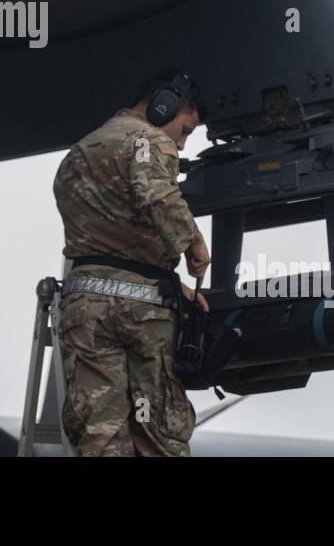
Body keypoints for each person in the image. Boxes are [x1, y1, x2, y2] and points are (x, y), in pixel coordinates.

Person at [53, 68, 211, 456]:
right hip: (141, 314)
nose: (182, 143)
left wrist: (171, 284)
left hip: (84, 310)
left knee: (101, 433)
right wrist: (193, 243)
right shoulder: (147, 141)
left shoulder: (79, 152)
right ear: (163, 106)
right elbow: (155, 193)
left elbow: (114, 243)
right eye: (185, 130)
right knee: (158, 433)